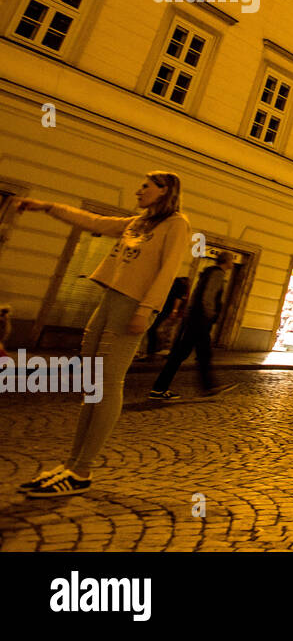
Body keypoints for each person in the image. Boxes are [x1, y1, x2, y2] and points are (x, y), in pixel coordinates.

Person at [14, 173, 190, 498]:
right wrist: (46, 206)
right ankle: (72, 465)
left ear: (165, 191)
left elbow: (169, 268)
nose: (139, 190)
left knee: (108, 384)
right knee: (92, 384)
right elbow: (92, 220)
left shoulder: (176, 224)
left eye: (146, 186)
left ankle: (82, 469)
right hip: (110, 299)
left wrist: (146, 309)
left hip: (133, 305)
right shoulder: (139, 223)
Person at [148, 251, 235, 400]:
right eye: (231, 260)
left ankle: (162, 388)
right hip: (200, 320)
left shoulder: (208, 272)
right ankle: (161, 388)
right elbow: (207, 297)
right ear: (226, 261)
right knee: (193, 354)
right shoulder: (217, 274)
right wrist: (209, 316)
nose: (232, 263)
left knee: (191, 354)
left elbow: (197, 295)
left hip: (196, 319)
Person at [142, 277, 189, 362]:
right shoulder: (180, 284)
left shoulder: (179, 283)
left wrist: (174, 310)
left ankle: (154, 351)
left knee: (155, 329)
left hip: (166, 309)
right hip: (165, 309)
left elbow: (178, 299)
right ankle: (154, 351)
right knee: (156, 329)